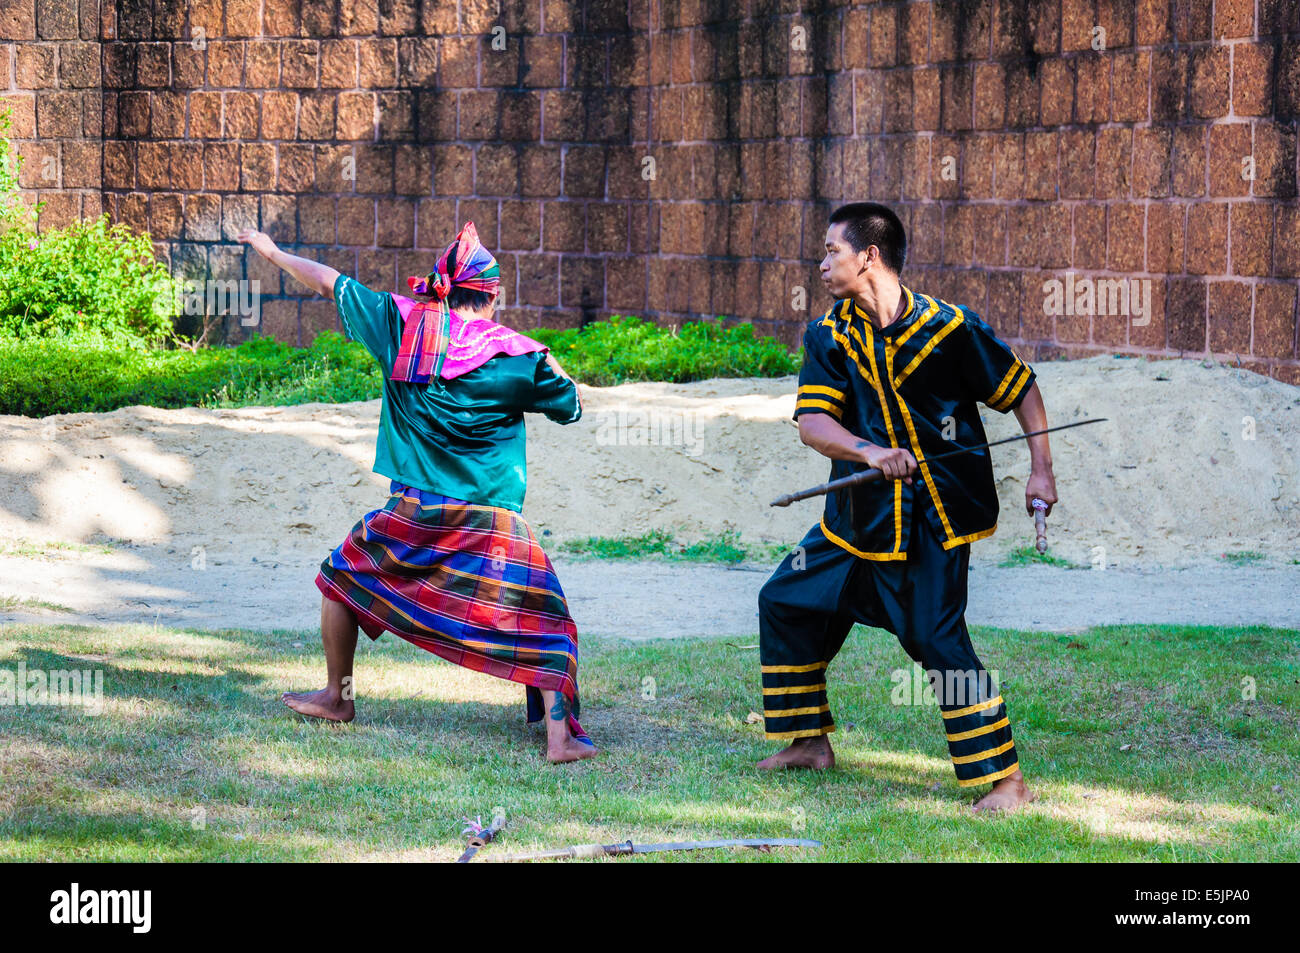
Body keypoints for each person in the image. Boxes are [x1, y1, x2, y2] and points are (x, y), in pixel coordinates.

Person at [238, 221, 597, 763]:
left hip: (413, 515)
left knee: (340, 578)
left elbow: (328, 281)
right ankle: (559, 738)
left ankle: (338, 696)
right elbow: (571, 406)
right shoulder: (521, 357)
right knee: (542, 615)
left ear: (442, 285)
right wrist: (547, 362)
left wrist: (273, 251)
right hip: (491, 526)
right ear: (494, 296)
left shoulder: (399, 324)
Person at [756, 202, 1056, 811]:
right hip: (854, 521)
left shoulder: (950, 329)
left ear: (868, 256)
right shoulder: (829, 335)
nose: (821, 265)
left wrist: (1041, 470)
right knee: (785, 599)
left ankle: (1006, 781)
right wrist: (868, 451)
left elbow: (1021, 388)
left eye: (831, 252)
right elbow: (813, 421)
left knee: (935, 640)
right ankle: (809, 743)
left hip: (933, 520)